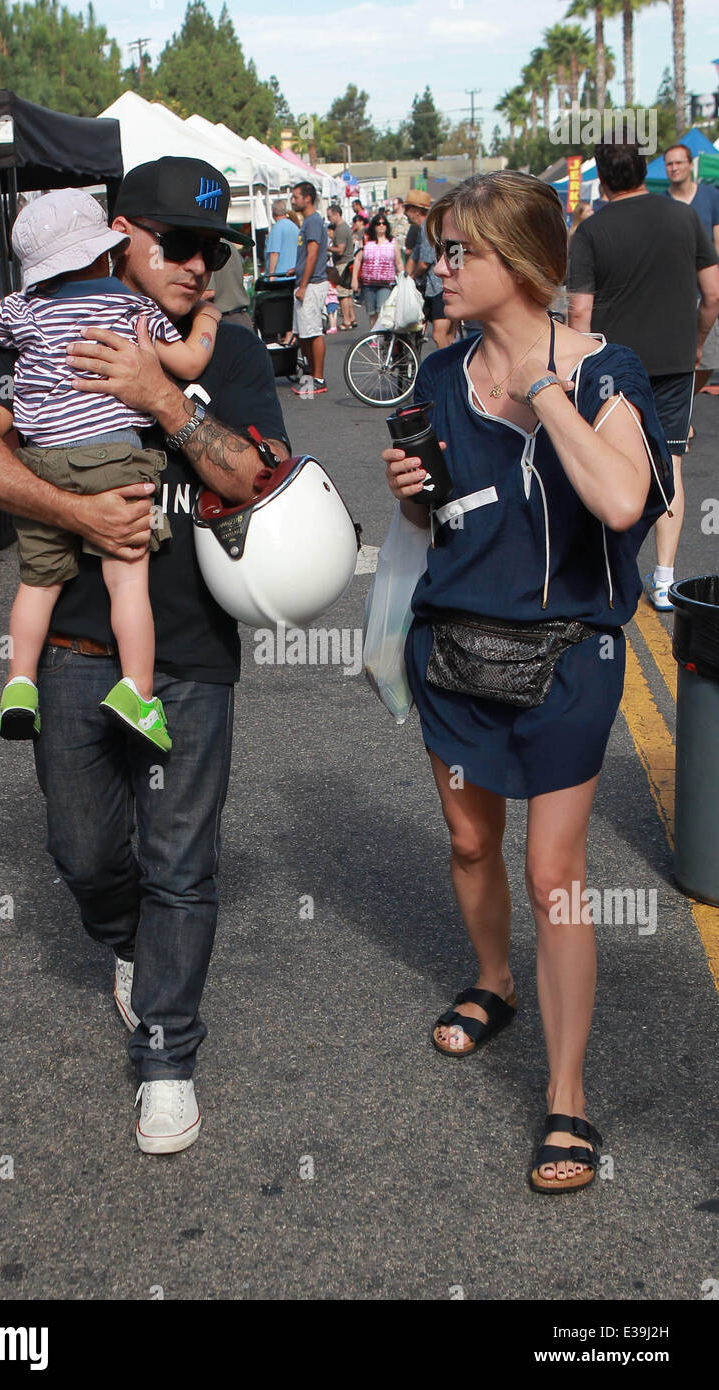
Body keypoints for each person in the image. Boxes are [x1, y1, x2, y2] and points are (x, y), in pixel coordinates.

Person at [0, 156, 291, 1156]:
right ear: (121, 233)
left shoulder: (226, 350)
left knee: (182, 862)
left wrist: (163, 395)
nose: (196, 267)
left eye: (212, 253)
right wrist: (75, 510)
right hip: (77, 647)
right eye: (177, 245)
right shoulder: (56, 313)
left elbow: (258, 476)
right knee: (84, 849)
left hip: (189, 649)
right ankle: (127, 944)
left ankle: (169, 1058)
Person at [384, 171, 673, 1193]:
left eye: (457, 252)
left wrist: (541, 378)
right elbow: (434, 529)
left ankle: (567, 1095)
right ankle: (493, 980)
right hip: (453, 651)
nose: (439, 268)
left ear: (518, 262)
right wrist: (410, 495)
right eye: (439, 251)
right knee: (469, 837)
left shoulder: (606, 371)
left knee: (555, 872)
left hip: (569, 657)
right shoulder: (436, 377)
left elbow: (624, 500)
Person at [0, 186, 222, 751]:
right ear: (108, 253)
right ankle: (137, 692)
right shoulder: (129, 307)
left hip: (42, 460)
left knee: (38, 581)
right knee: (127, 577)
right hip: (112, 454)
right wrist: (206, 319)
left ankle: (19, 684)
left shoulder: (24, 308)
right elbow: (189, 360)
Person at [568, 143, 719, 611]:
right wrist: (695, 343)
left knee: (604, 458)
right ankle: (665, 578)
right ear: (644, 172)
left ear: (605, 182)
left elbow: (579, 310)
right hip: (675, 362)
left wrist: (576, 369)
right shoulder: (683, 217)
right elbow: (713, 294)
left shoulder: (591, 230)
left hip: (613, 365)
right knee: (669, 462)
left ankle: (607, 572)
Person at [664, 143, 719, 398]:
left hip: (708, 288)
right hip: (675, 292)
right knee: (676, 359)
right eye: (669, 164)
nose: (674, 168)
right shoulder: (662, 202)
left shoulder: (710, 195)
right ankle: (681, 412)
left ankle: (686, 403)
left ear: (690, 165)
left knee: (708, 357)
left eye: (678, 162)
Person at [290, 181, 329, 396]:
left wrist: (303, 285)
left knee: (313, 332)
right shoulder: (308, 222)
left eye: (296, 197)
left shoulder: (313, 222)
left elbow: (313, 254)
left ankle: (319, 378)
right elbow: (308, 255)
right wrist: (295, 269)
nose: (293, 201)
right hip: (307, 281)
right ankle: (312, 375)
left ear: (307, 198)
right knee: (305, 333)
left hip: (312, 284)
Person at [405, 188, 454, 349]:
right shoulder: (424, 227)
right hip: (436, 286)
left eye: (408, 208)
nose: (405, 212)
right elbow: (415, 255)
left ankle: (447, 372)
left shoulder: (427, 228)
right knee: (447, 335)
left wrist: (411, 277)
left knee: (439, 335)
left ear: (417, 211)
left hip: (438, 287)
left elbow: (424, 262)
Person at [351, 211, 403, 326]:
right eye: (378, 224)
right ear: (373, 226)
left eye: (384, 223)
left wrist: (403, 277)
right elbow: (358, 260)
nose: (381, 226)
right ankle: (375, 338)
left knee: (382, 310)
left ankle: (383, 337)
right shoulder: (367, 242)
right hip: (368, 284)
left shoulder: (392, 242)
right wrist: (354, 279)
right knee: (372, 313)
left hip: (385, 283)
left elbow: (398, 261)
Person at [210, 243, 253, 330]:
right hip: (242, 317)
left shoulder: (212, 246)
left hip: (226, 320)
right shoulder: (230, 245)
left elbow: (209, 292)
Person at [327, 203, 356, 329]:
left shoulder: (340, 229)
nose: (329, 220)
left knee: (342, 294)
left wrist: (327, 247)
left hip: (342, 263)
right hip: (348, 262)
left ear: (336, 214)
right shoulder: (345, 227)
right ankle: (351, 318)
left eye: (329, 216)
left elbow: (340, 250)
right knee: (348, 294)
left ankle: (346, 321)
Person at [265, 198, 299, 279]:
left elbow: (274, 253)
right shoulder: (294, 227)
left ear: (272, 211)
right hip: (294, 273)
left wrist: (271, 275)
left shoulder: (276, 228)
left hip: (280, 275)